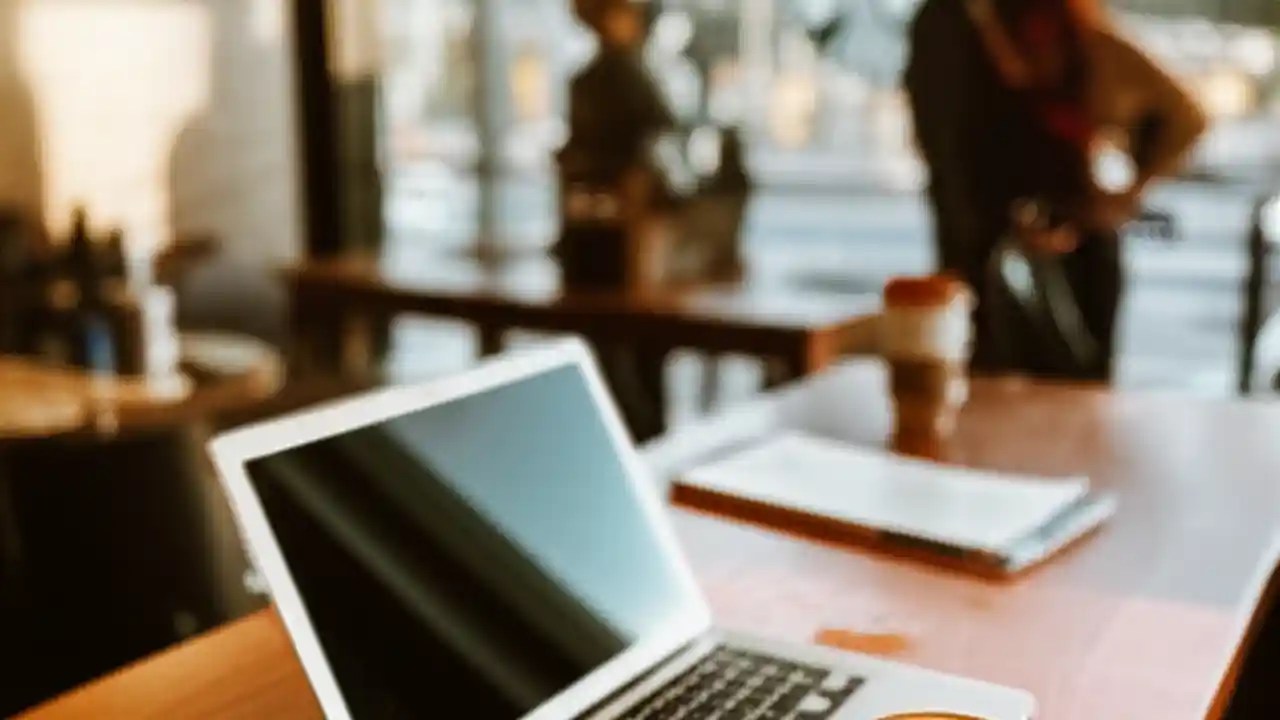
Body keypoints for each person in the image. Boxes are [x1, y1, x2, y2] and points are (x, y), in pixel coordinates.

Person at [906, 0, 1206, 381]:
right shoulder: (950, 23)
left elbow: (1185, 117)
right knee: (993, 383)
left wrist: (1124, 195)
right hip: (987, 254)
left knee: (1069, 387)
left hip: (1068, 253)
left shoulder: (1076, 31)